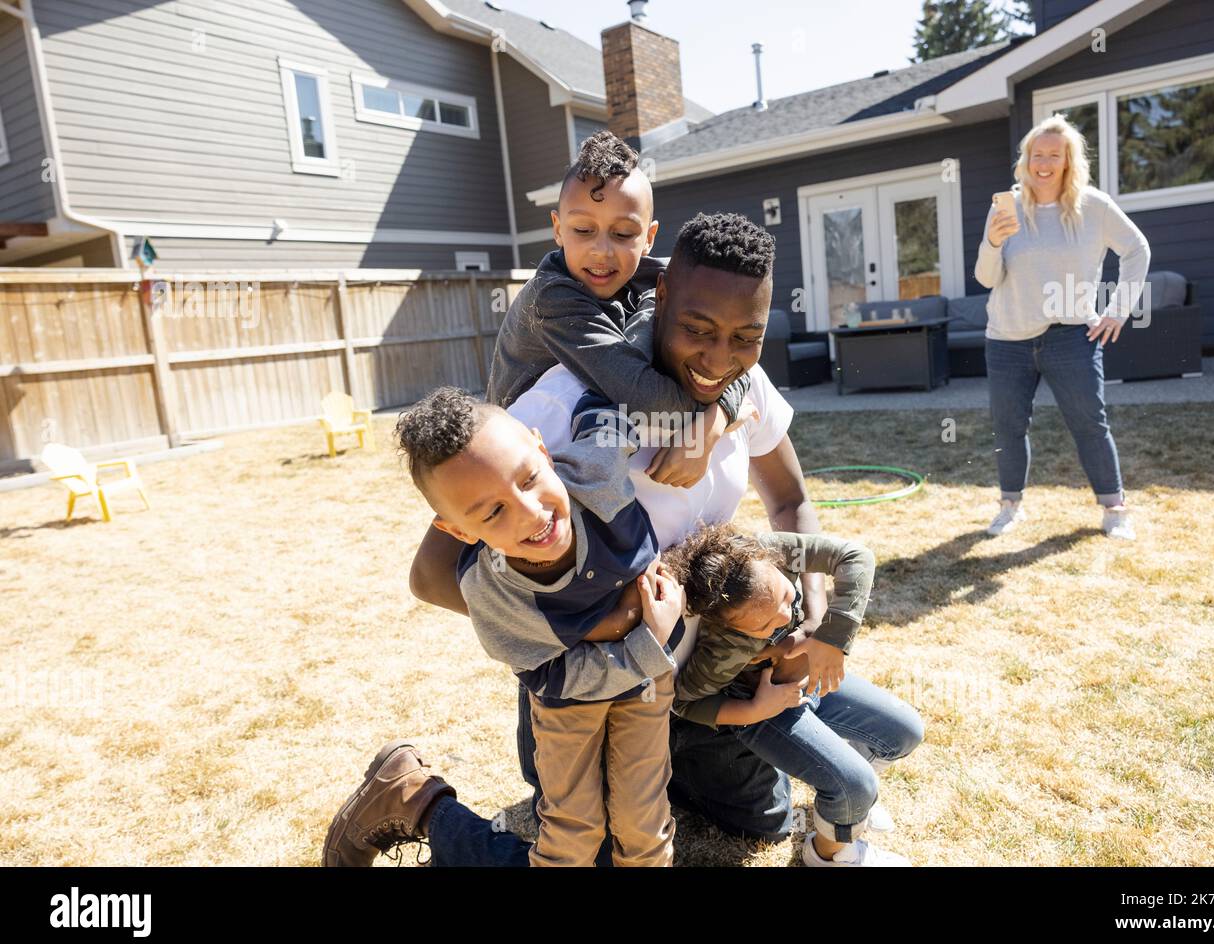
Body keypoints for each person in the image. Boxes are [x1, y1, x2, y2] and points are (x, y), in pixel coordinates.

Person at [328, 213, 916, 866]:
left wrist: (804, 614)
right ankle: (413, 797)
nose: (719, 358)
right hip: (604, 689)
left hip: (710, 666)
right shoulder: (569, 407)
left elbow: (790, 497)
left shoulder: (737, 387)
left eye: (745, 336)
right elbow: (432, 574)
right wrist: (605, 623)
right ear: (661, 296)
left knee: (792, 803)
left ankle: (689, 763)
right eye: (698, 330)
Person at [322, 386, 685, 867]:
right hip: (570, 708)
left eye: (529, 478)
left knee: (645, 826)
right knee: (574, 839)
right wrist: (645, 640)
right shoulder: (491, 594)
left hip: (644, 687)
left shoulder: (596, 475)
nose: (531, 513)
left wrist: (702, 417)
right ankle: (407, 794)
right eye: (493, 511)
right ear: (460, 532)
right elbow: (554, 678)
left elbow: (602, 412)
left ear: (542, 449)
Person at [488, 129, 751, 489]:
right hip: (525, 467)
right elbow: (643, 398)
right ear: (558, 229)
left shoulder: (656, 280)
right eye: (583, 229)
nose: (602, 250)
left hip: (593, 443)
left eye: (623, 234)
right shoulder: (553, 297)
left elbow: (734, 355)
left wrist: (717, 416)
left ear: (649, 237)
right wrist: (715, 420)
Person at [664, 523, 920, 867]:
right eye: (763, 625)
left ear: (769, 561)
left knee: (905, 731)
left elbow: (856, 556)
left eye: (785, 597)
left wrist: (831, 635)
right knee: (853, 786)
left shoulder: (768, 548)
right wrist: (755, 708)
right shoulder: (721, 651)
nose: (785, 617)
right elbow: (684, 703)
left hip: (809, 680)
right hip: (771, 713)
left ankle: (850, 805)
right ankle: (830, 854)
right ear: (730, 628)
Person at [976, 113, 1150, 540]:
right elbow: (985, 278)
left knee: (1090, 423)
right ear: (1026, 159)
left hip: (1072, 336)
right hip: (1007, 339)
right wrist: (993, 242)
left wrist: (1117, 309)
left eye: (1055, 154)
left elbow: (1136, 250)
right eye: (1038, 154)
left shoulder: (1093, 206)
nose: (1044, 162)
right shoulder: (1006, 207)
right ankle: (1009, 506)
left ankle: (1114, 510)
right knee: (1008, 427)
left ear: (1069, 160)